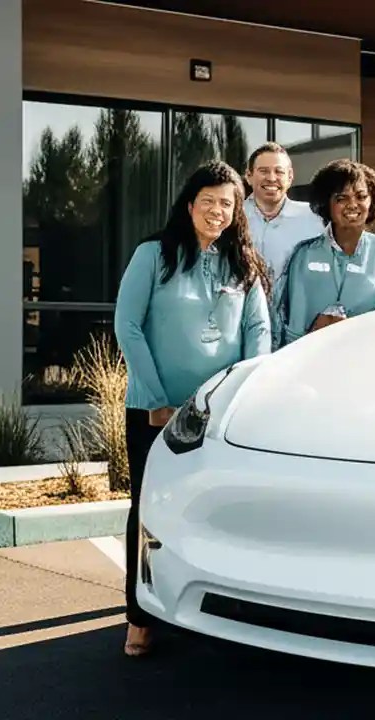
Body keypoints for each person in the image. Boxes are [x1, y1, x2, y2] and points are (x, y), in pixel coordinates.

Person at [113, 160, 272, 657]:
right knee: (148, 509)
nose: (217, 211)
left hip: (220, 416)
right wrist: (156, 398)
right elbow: (127, 325)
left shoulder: (243, 263)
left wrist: (245, 395)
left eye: (227, 203)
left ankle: (220, 608)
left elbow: (258, 332)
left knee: (220, 509)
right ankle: (140, 616)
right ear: (189, 204)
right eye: (209, 201)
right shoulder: (153, 255)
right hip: (155, 410)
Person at [273, 159, 375, 347]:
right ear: (326, 203)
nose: (353, 204)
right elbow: (294, 325)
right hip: (311, 355)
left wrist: (349, 331)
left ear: (372, 200)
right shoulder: (304, 254)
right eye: (341, 198)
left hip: (367, 354)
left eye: (361, 197)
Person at [242, 142, 325, 284]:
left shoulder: (314, 219)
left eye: (279, 171)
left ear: (290, 177)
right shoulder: (232, 217)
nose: (271, 178)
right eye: (263, 171)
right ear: (249, 176)